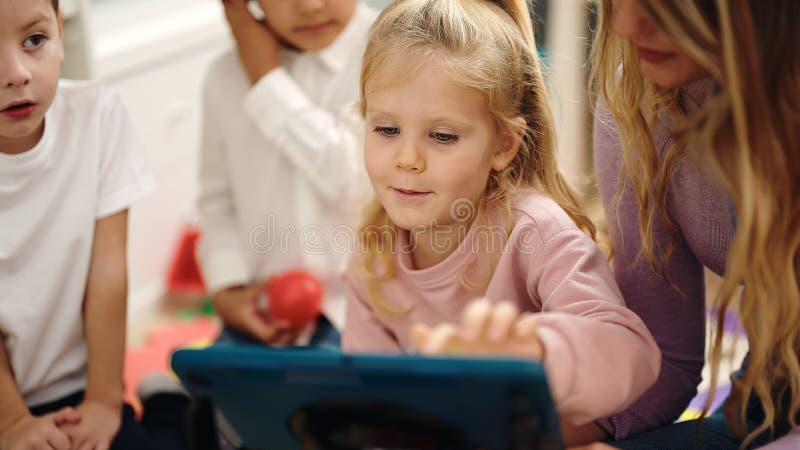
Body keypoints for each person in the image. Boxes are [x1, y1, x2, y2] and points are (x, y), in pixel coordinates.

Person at [341, 0, 661, 445]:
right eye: (386, 130)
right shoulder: (373, 255)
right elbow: (369, 396)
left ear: (504, 145)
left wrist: (535, 351)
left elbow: (631, 353)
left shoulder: (534, 230)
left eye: (442, 136)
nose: (407, 160)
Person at [579, 0, 800, 448]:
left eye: (662, 5)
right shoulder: (636, 105)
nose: (625, 25)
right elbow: (665, 358)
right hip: (774, 389)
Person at [0, 1, 187, 449]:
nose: (16, 74)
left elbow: (106, 274)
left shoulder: (97, 114)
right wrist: (11, 425)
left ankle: (168, 406)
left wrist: (103, 401)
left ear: (60, 29)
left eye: (34, 40)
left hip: (78, 387)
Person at [197, 0, 376, 347]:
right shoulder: (223, 75)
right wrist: (228, 291)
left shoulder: (395, 52)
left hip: (368, 314)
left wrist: (265, 78)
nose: (310, 6)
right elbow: (216, 201)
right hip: (264, 315)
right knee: (211, 381)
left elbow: (355, 182)